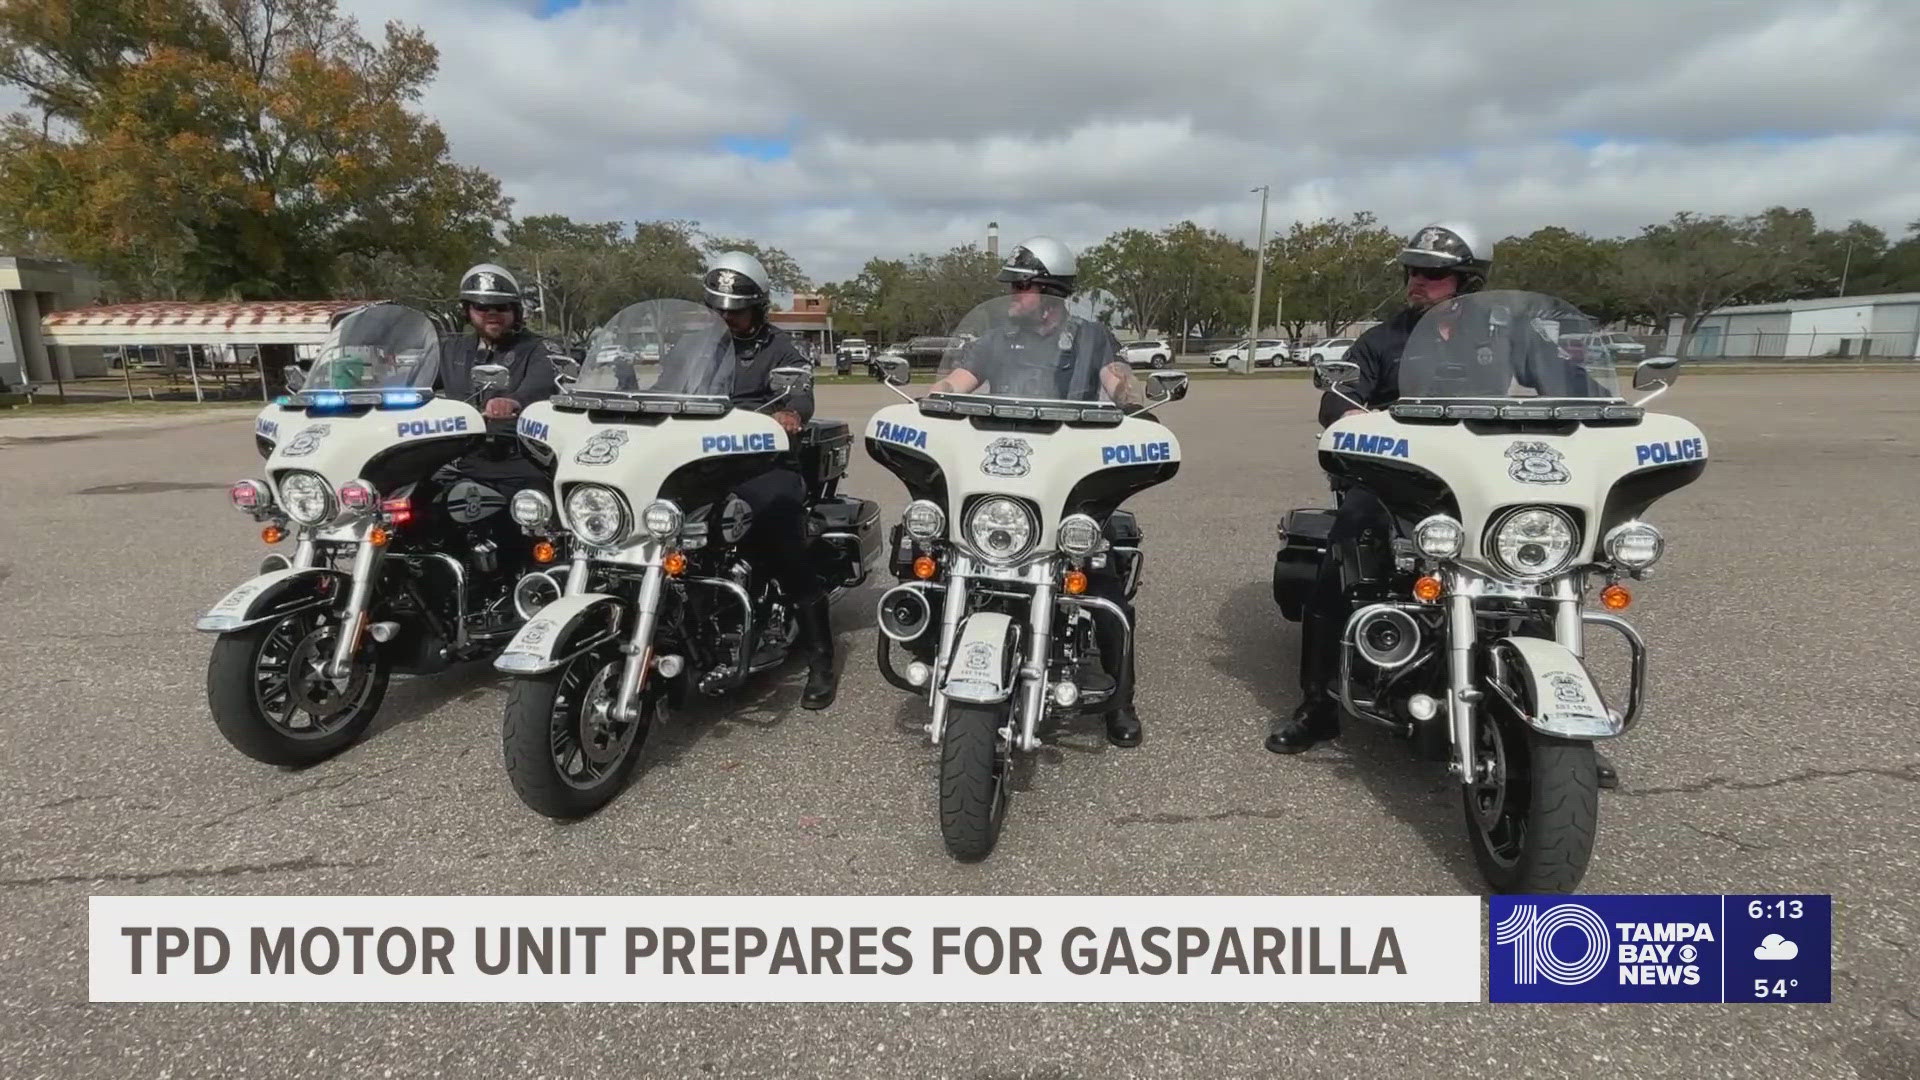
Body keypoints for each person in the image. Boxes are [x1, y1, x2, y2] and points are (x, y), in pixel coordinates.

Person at [1267, 224, 1619, 787]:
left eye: (1430, 273)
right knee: (1343, 550)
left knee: (1549, 567)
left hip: (1482, 475)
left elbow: (1571, 383)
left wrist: (1605, 407)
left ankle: (1563, 727)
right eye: (1411, 271)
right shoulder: (1383, 339)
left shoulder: (1511, 337)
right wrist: (1348, 410)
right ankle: (1318, 705)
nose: (1416, 282)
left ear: (1467, 281)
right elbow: (1340, 394)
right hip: (1397, 476)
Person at [930, 237, 1149, 748]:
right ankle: (936, 653)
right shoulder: (996, 338)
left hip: (1065, 471)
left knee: (1102, 576)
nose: (1013, 293)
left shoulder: (1092, 338)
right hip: (1000, 468)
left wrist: (1135, 401)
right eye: (1012, 284)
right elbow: (957, 382)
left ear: (1052, 293)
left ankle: (1121, 701)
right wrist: (931, 399)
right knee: (934, 546)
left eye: (1022, 285)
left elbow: (1119, 383)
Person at [701, 250, 839, 711]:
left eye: (735, 311)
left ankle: (821, 659)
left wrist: (788, 412)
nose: (726, 318)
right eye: (718, 309)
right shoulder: (698, 347)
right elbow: (669, 386)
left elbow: (801, 395)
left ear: (757, 307)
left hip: (765, 465)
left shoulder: (781, 348)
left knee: (780, 533)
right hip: (704, 464)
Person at [438, 262, 563, 495]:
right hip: (454, 453)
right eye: (482, 307)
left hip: (517, 454)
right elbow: (417, 381)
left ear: (515, 311)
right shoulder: (450, 350)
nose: (492, 313)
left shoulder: (539, 348)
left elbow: (541, 383)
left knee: (537, 499)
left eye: (502, 307)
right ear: (467, 310)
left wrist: (513, 401)